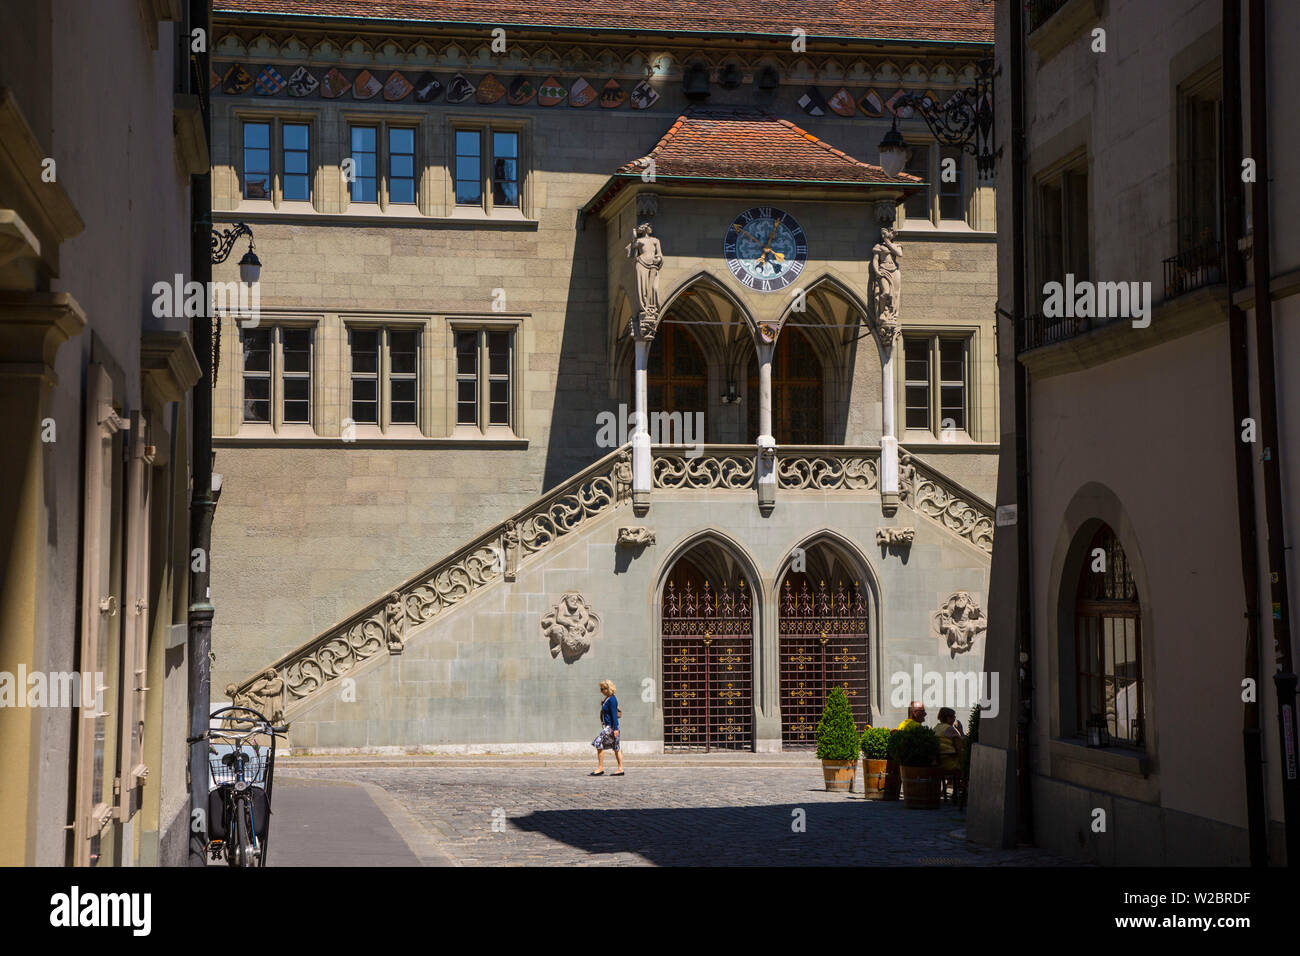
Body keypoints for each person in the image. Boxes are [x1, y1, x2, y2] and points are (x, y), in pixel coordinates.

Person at [590, 679, 625, 776]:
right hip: (610, 726)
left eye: (602, 689)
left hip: (611, 727)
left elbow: (614, 714)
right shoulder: (608, 699)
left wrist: (616, 728)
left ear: (608, 689)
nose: (601, 691)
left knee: (598, 743)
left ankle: (600, 768)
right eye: (601, 689)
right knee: (616, 747)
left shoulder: (612, 699)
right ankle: (620, 768)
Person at [934, 707, 965, 771]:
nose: (954, 719)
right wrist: (961, 731)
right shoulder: (949, 729)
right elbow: (960, 746)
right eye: (954, 717)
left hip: (938, 762)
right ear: (948, 718)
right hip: (950, 762)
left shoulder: (936, 728)